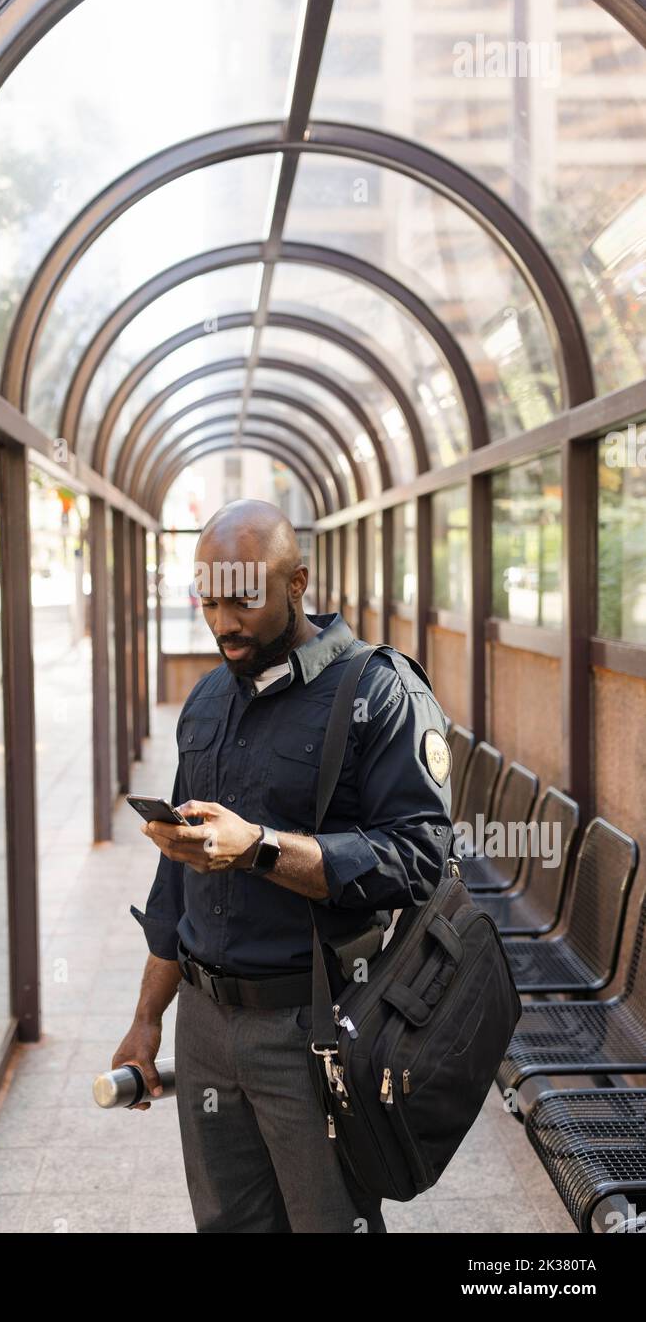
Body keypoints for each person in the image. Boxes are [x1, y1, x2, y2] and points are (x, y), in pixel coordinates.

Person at [113, 499, 454, 1233]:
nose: (223, 623)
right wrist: (147, 1019)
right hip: (204, 1029)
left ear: (297, 582)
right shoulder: (206, 700)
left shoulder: (378, 691)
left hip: (315, 1023)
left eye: (243, 599)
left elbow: (423, 856)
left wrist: (262, 848)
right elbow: (176, 881)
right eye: (208, 601)